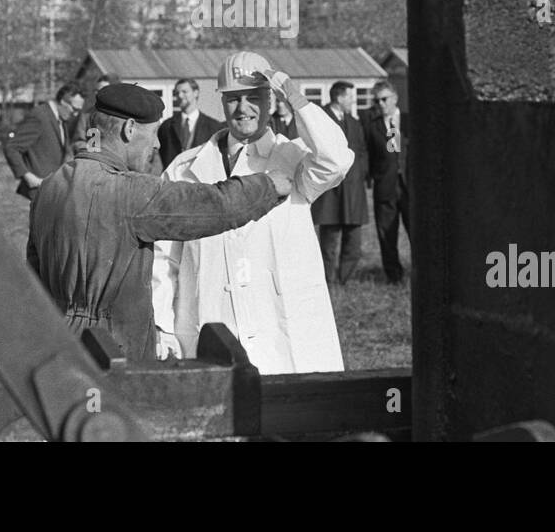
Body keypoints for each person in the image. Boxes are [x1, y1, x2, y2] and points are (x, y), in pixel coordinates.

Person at [29, 83, 290, 360]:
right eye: (153, 133)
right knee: (110, 404)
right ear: (129, 129)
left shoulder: (50, 186)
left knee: (84, 405)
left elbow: (32, 276)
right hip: (112, 350)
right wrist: (268, 186)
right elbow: (214, 206)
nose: (157, 144)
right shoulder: (130, 192)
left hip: (57, 346)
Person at [154, 51, 353, 374]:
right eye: (233, 98)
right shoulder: (184, 168)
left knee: (289, 415)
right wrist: (162, 325)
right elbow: (164, 258)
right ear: (221, 103)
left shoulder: (294, 159)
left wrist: (293, 94)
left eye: (254, 98)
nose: (243, 108)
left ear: (271, 101)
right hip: (208, 322)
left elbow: (337, 159)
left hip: (279, 329)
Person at [310, 81, 369, 285]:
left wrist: (365, 173)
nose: (353, 101)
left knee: (354, 239)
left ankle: (347, 278)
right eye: (351, 97)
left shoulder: (386, 123)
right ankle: (328, 280)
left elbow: (367, 150)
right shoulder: (321, 117)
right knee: (330, 238)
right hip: (333, 189)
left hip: (360, 187)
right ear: (340, 97)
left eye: (384, 100)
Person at [4, 83, 84, 210]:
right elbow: (12, 148)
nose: (75, 114)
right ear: (63, 102)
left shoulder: (61, 119)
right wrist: (28, 176)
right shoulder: (40, 116)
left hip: (53, 192)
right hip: (39, 191)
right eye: (74, 109)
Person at [365, 80, 410, 284]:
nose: (381, 104)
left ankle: (423, 276)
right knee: (387, 235)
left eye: (384, 99)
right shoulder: (372, 125)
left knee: (418, 233)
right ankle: (394, 277)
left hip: (410, 187)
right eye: (377, 100)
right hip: (385, 187)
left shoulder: (410, 120)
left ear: (395, 98)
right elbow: (368, 155)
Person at [156, 78, 222, 170]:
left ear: (196, 93)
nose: (180, 95)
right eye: (177, 93)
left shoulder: (213, 127)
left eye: (184, 92)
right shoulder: (166, 126)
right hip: (173, 181)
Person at [70, 73, 119, 155]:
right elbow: (78, 141)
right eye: (96, 90)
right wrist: (92, 151)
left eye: (102, 90)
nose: (97, 93)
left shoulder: (122, 115)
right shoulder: (86, 115)